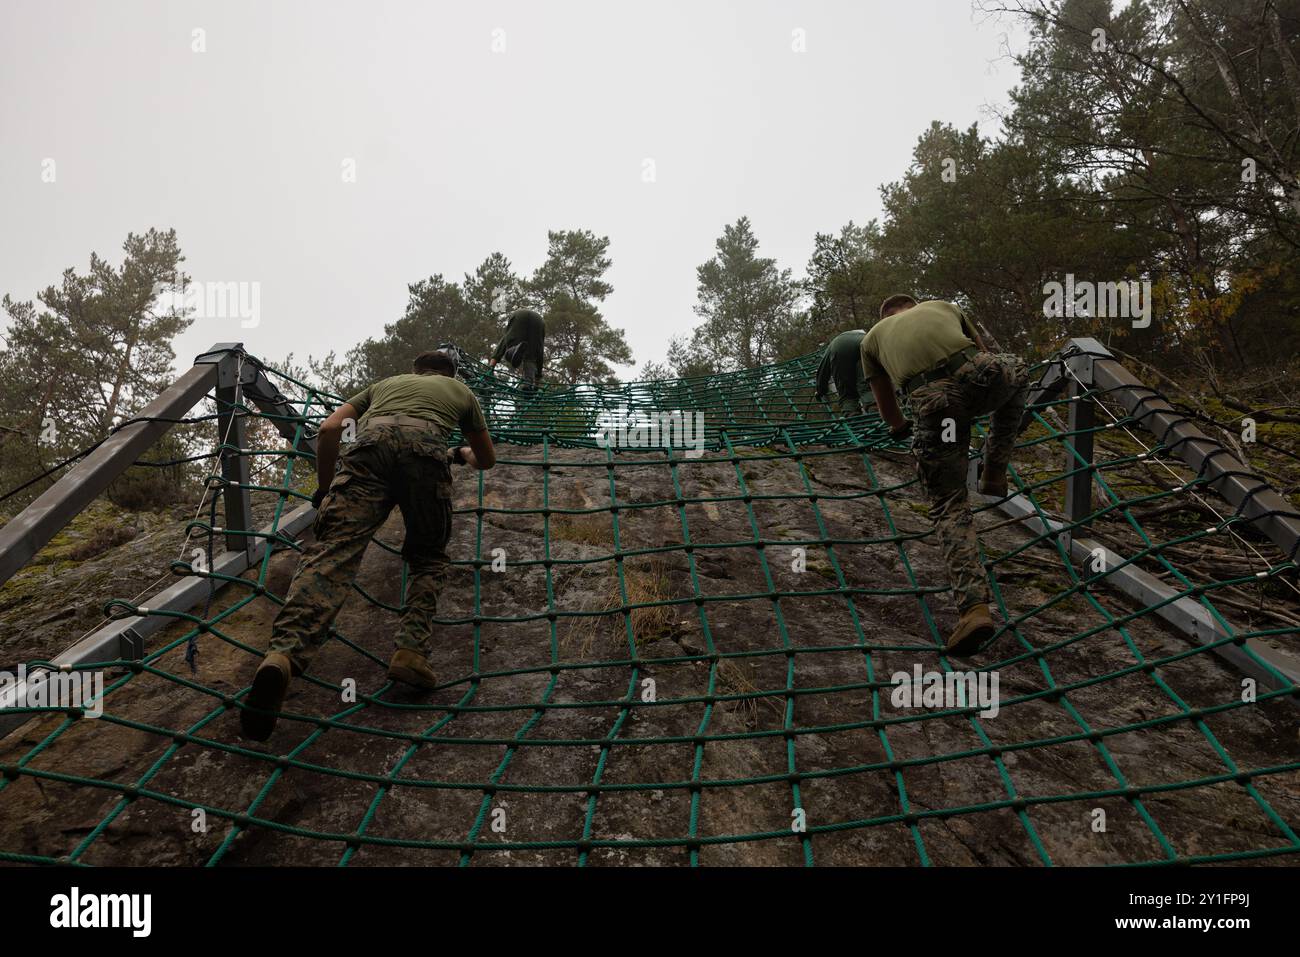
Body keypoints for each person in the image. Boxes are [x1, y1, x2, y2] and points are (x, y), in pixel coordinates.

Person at [241, 348, 496, 741]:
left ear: (415, 369)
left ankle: (283, 656)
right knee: (428, 558)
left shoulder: (383, 386)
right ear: (451, 373)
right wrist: (457, 454)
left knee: (332, 552)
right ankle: (410, 652)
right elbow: (487, 459)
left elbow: (327, 431)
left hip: (367, 452)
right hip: (426, 452)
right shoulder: (461, 392)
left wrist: (325, 491)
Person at [861, 294, 1028, 655]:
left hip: (935, 401)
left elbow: (884, 398)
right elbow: (982, 350)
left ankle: (974, 610)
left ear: (885, 314)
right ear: (912, 305)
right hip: (982, 374)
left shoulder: (871, 337)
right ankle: (995, 470)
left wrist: (898, 427)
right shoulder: (942, 305)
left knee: (949, 503)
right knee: (1017, 370)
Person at [814, 329, 874, 415]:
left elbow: (823, 370)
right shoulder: (864, 336)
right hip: (865, 346)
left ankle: (852, 414)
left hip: (839, 351)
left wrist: (820, 390)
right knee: (867, 383)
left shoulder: (836, 342)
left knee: (847, 393)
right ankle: (873, 406)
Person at [489, 308, 546, 390]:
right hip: (539, 320)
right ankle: (528, 383)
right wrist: (537, 384)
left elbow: (503, 342)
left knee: (510, 348)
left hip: (519, 315)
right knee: (531, 358)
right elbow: (540, 354)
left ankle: (514, 348)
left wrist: (491, 367)